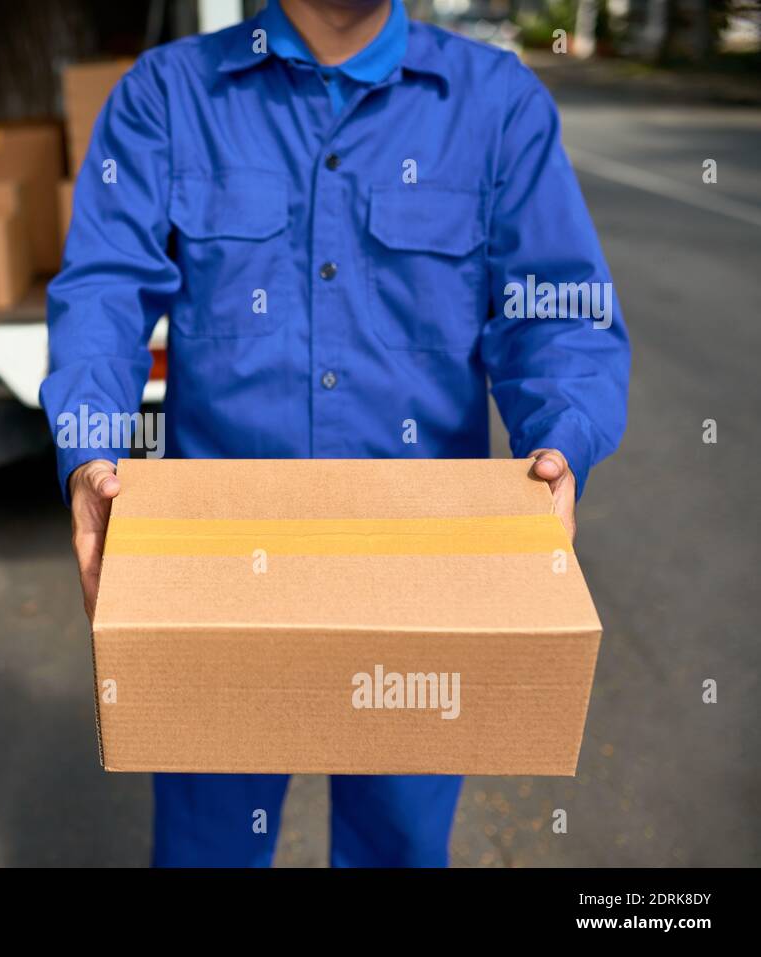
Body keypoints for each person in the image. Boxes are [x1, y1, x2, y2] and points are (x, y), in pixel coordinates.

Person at [40, 0, 630, 867]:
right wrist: (89, 447)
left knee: (399, 841)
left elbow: (556, 308)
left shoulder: (494, 102)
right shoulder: (168, 95)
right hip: (217, 565)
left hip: (424, 566)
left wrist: (562, 439)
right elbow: (102, 291)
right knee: (209, 845)